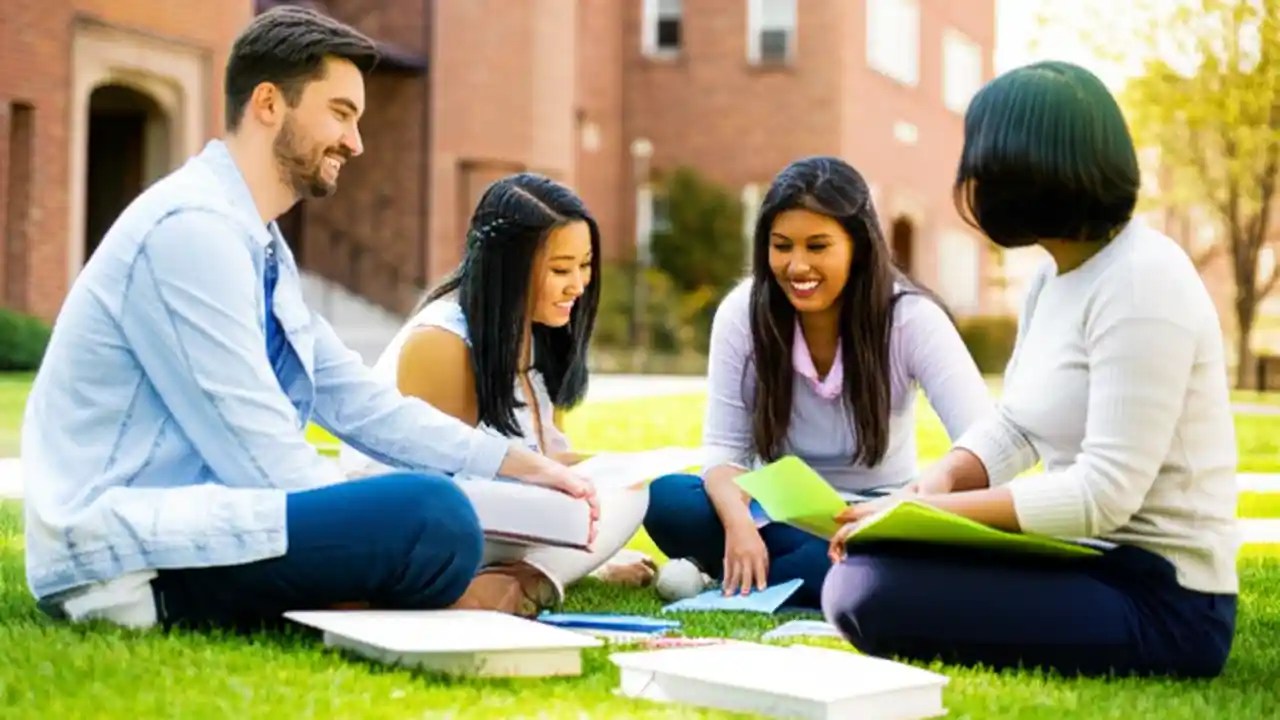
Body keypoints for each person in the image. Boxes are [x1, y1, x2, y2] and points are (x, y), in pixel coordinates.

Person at [20, 6, 593, 633]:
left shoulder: (257, 241)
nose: (356, 142)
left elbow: (358, 400)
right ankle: (421, 600)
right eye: (341, 114)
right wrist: (375, 514)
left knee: (440, 515)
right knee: (433, 515)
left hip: (205, 526)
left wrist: (515, 466)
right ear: (269, 103)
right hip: (126, 558)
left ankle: (400, 598)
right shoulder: (190, 232)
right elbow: (260, 456)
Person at [821, 61, 1240, 679]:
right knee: (865, 572)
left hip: (1166, 600)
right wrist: (926, 491)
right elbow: (1017, 427)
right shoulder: (1051, 275)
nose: (974, 180)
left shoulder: (1145, 279)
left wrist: (930, 518)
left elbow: (1102, 495)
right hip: (1085, 560)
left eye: (985, 163)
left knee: (869, 594)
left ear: (1033, 166)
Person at [642, 156, 992, 608]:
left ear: (858, 246)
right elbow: (725, 450)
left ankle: (781, 572)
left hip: (878, 514)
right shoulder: (742, 314)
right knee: (668, 500)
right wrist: (739, 527)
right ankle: (826, 572)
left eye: (818, 246)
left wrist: (906, 503)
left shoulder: (911, 319)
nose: (796, 266)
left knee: (887, 552)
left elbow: (983, 437)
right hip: (775, 511)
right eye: (782, 245)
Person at [340, 173, 654, 618]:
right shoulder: (441, 339)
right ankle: (545, 573)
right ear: (507, 268)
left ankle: (532, 576)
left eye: (585, 265)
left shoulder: (546, 331)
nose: (578, 285)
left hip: (505, 504)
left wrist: (610, 469)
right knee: (587, 501)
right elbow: (443, 482)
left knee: (632, 489)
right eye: (561, 269)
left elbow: (544, 455)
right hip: (426, 516)